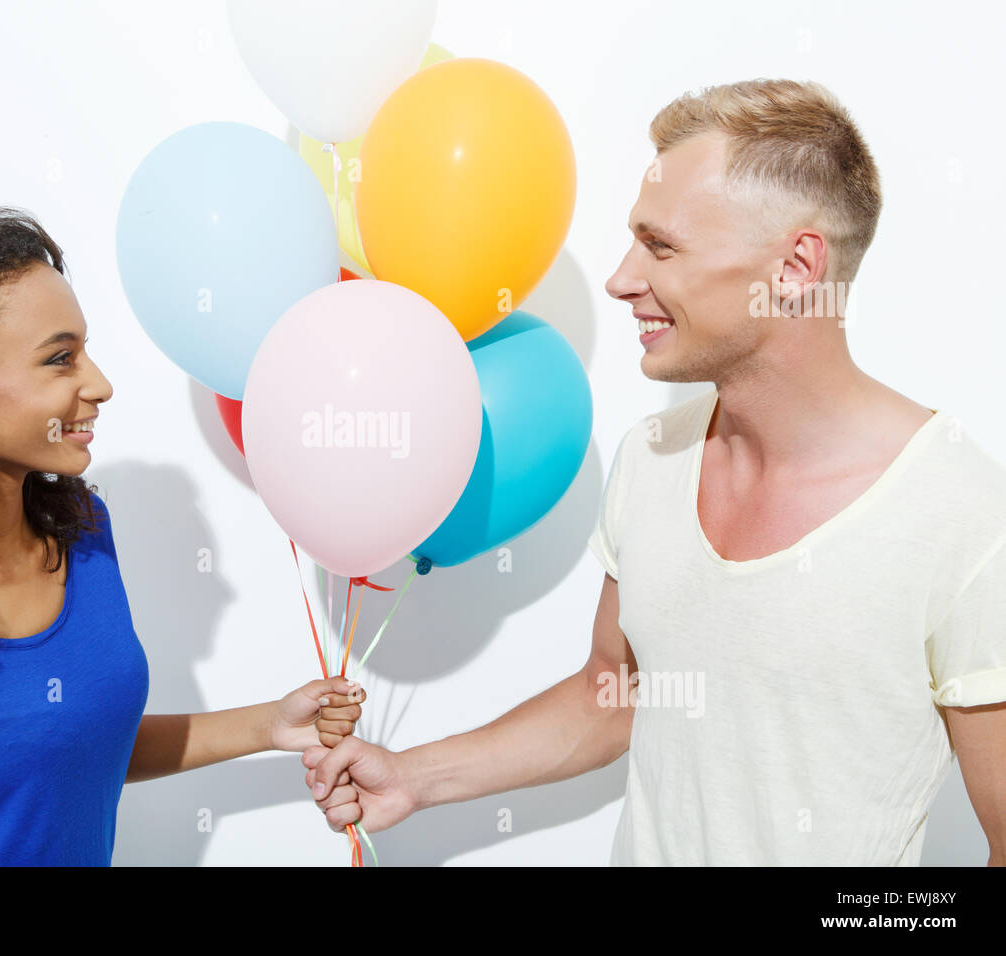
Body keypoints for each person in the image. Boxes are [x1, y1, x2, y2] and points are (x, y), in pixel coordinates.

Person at [302, 78, 1006, 866]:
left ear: (797, 266)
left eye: (662, 246)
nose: (620, 278)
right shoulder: (653, 456)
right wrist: (414, 776)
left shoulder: (962, 512)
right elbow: (616, 695)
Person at [0, 208, 363, 865]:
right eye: (60, 359)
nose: (100, 384)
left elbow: (76, 742)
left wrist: (269, 724)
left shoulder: (83, 535)